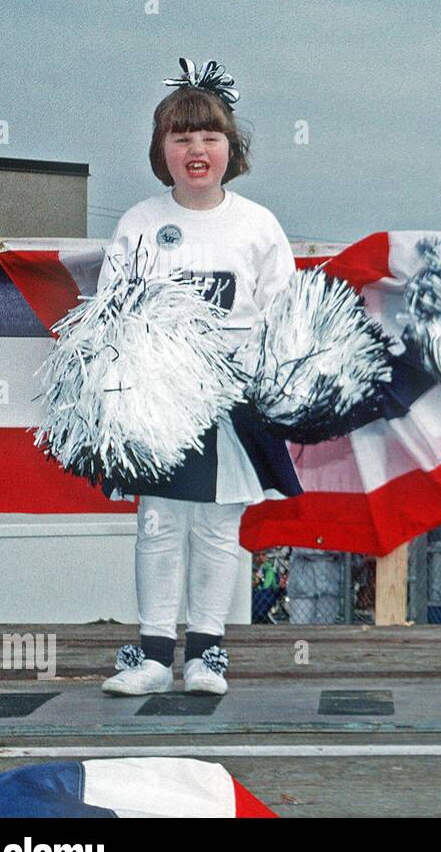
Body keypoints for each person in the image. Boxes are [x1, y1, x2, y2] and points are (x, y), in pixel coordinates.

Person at [100, 59, 301, 697]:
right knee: (158, 519)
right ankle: (155, 651)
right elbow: (111, 313)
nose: (197, 149)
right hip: (160, 398)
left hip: (234, 399)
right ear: (162, 149)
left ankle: (207, 650)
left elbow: (284, 315)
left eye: (210, 137)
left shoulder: (257, 225)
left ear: (230, 148)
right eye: (182, 137)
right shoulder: (137, 222)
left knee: (218, 524)